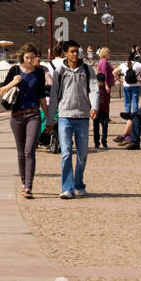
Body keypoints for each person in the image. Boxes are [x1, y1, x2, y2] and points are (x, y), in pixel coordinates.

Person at [49, 40, 98, 198]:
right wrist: (50, 119)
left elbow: (94, 89)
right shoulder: (59, 72)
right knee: (66, 153)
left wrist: (94, 107)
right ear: (65, 53)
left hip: (82, 116)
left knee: (82, 154)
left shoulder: (87, 69)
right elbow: (54, 95)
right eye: (72, 51)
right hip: (65, 116)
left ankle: (79, 184)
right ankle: (67, 188)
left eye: (77, 51)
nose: (75, 54)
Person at [0, 43, 47, 199]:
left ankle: (28, 186)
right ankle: (23, 182)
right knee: (21, 153)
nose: (30, 60)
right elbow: (1, 91)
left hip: (34, 114)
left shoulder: (39, 73)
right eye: (27, 57)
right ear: (22, 57)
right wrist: (14, 82)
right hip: (17, 115)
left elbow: (41, 96)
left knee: (29, 151)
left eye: (32, 57)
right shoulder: (14, 70)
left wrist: (48, 116)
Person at [93, 46, 114, 148]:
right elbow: (104, 73)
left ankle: (98, 141)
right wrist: (106, 85)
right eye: (109, 52)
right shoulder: (104, 61)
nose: (110, 54)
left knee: (97, 121)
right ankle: (102, 140)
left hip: (101, 87)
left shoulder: (100, 61)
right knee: (102, 118)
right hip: (104, 88)